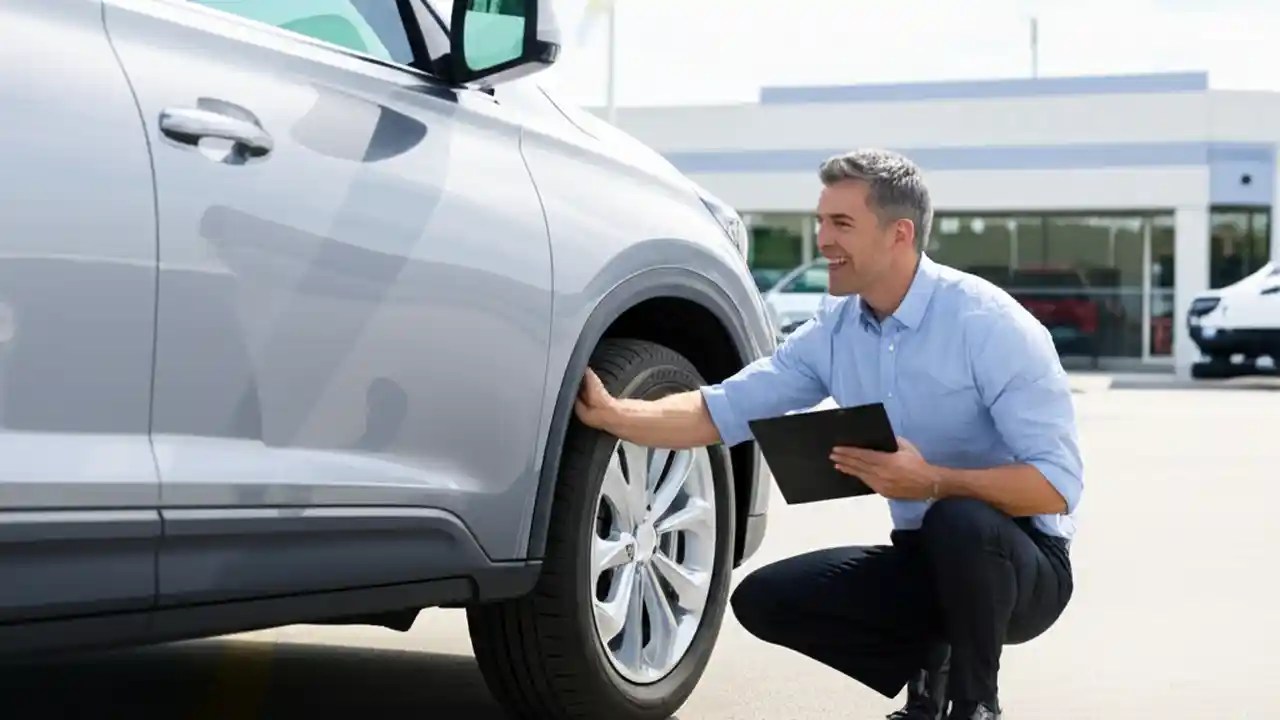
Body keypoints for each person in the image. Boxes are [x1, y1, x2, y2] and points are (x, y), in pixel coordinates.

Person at [573, 148, 1081, 720]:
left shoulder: (990, 326)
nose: (822, 240)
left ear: (900, 234)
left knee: (957, 519)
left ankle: (974, 705)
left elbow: (1056, 487)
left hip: (1021, 566)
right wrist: (616, 414)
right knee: (766, 601)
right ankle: (930, 665)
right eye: (820, 222)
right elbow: (724, 409)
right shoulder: (837, 328)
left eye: (842, 224)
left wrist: (934, 480)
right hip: (924, 560)